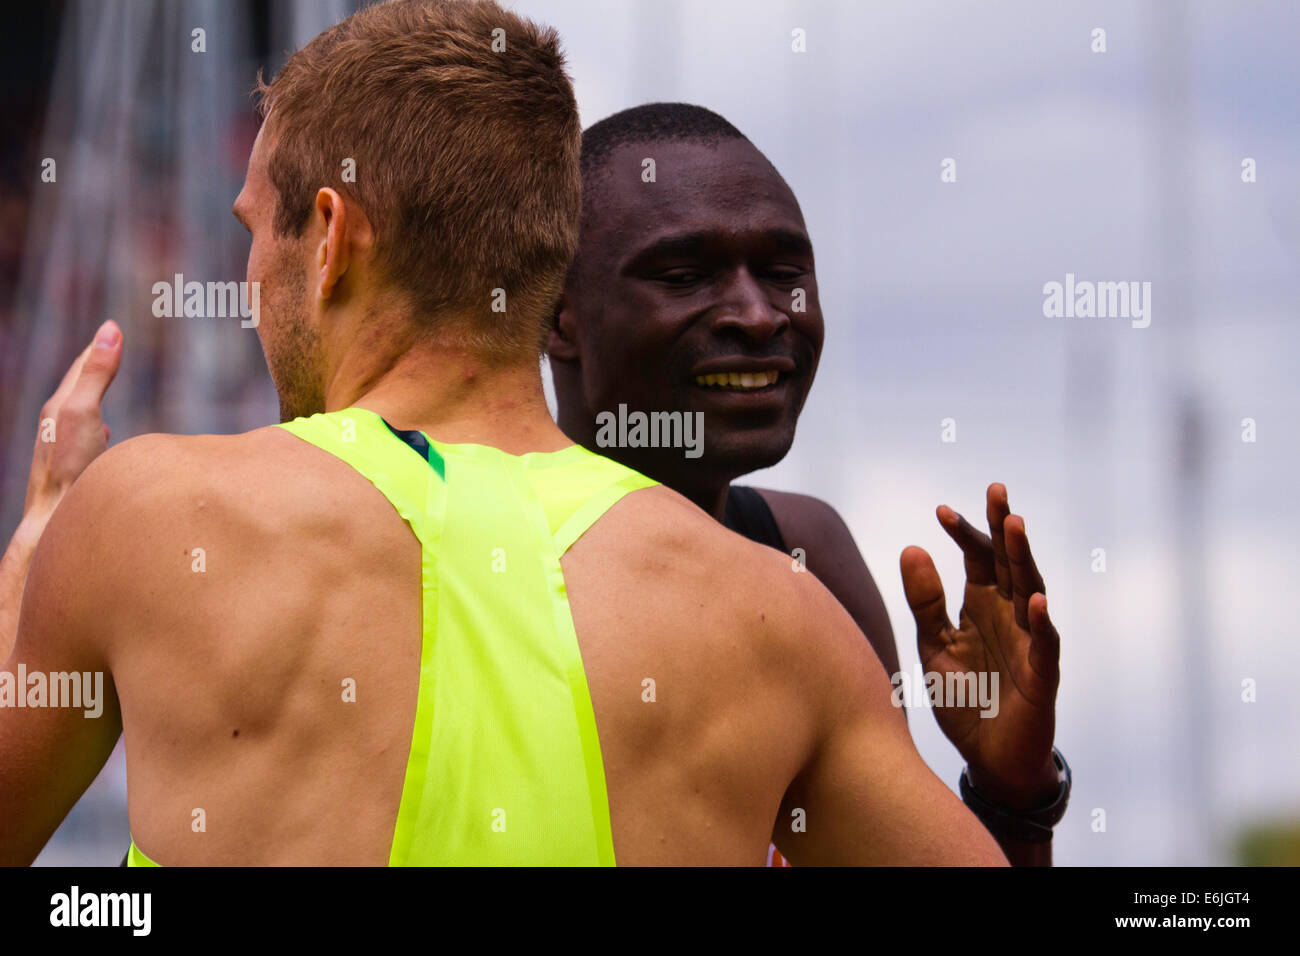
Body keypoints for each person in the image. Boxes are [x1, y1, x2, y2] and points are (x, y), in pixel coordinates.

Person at [0, 0, 1010, 866]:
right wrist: (1024, 791)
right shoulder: (773, 617)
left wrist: (42, 534)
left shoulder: (150, 516)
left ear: (332, 237)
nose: (250, 281)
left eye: (253, 231)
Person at [548, 103, 1066, 865]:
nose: (760, 316)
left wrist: (1012, 793)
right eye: (686, 276)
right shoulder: (478, 560)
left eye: (785, 274)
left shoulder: (803, 554)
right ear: (556, 316)